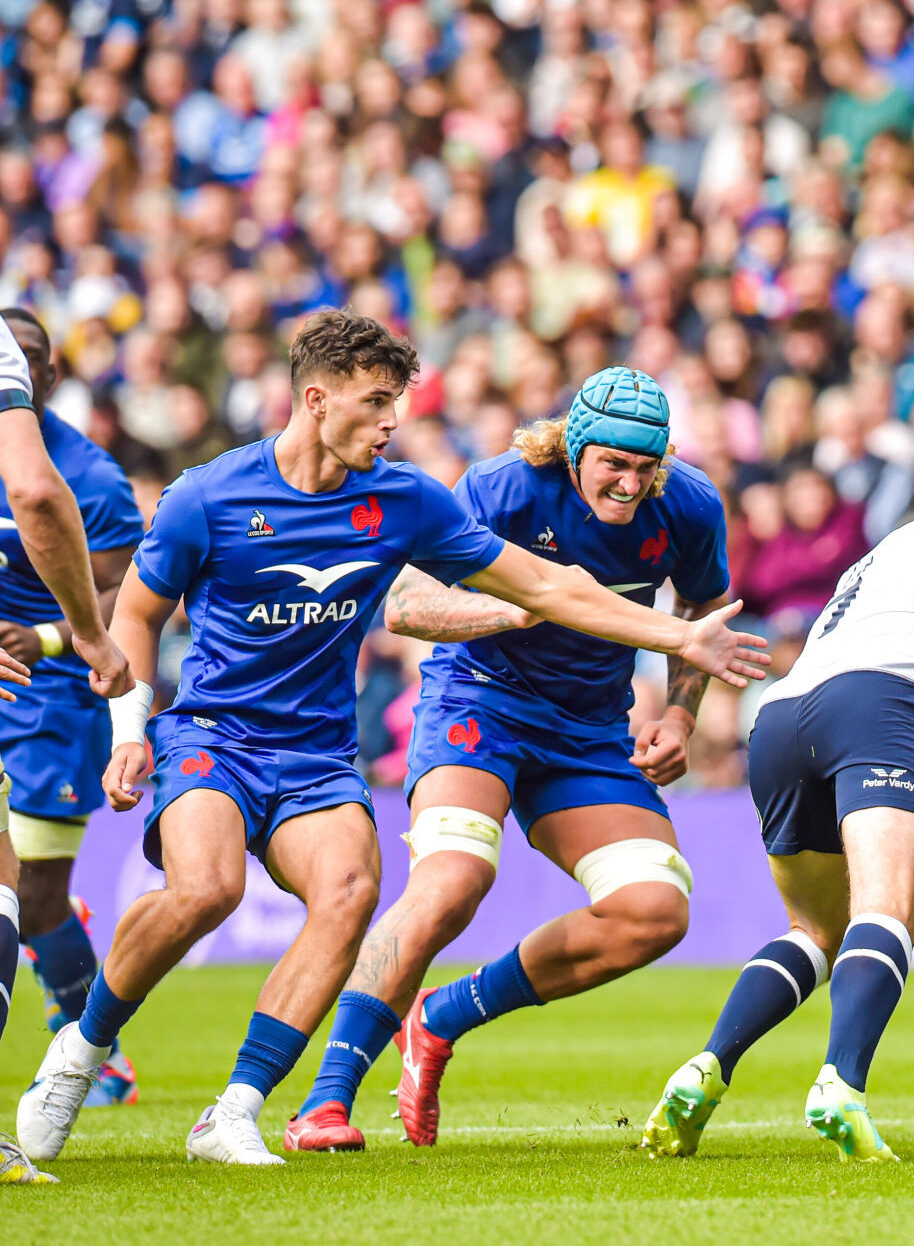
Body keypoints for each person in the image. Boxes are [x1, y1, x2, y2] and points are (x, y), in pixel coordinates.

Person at [15, 311, 767, 1168]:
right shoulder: (211, 493)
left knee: (354, 893)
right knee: (221, 889)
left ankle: (242, 1106)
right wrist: (127, 728)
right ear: (315, 399)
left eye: (396, 405)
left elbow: (558, 584)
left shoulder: (405, 496)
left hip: (340, 753)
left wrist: (677, 668)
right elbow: (145, 612)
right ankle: (81, 1051)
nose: (392, 423)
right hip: (239, 730)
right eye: (377, 404)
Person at [286, 368, 734, 1152]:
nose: (629, 484)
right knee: (453, 879)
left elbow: (699, 610)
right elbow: (407, 604)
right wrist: (519, 604)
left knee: (655, 910)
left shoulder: (688, 505)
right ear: (575, 449)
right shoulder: (504, 487)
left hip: (589, 726)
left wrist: (679, 712)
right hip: (479, 701)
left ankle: (442, 1015)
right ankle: (325, 1100)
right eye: (613, 465)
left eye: (645, 467)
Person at [642, 485, 914, 1162]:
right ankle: (842, 1083)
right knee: (889, 906)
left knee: (816, 931)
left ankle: (706, 1065)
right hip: (887, 703)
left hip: (785, 715)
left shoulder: (882, 561)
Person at [0, 306, 132, 1188]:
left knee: (36, 886)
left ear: (49, 373)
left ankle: (92, 1041)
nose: (31, 367)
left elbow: (120, 595)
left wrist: (48, 639)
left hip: (50, 699)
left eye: (40, 356)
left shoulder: (90, 475)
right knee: (14, 880)